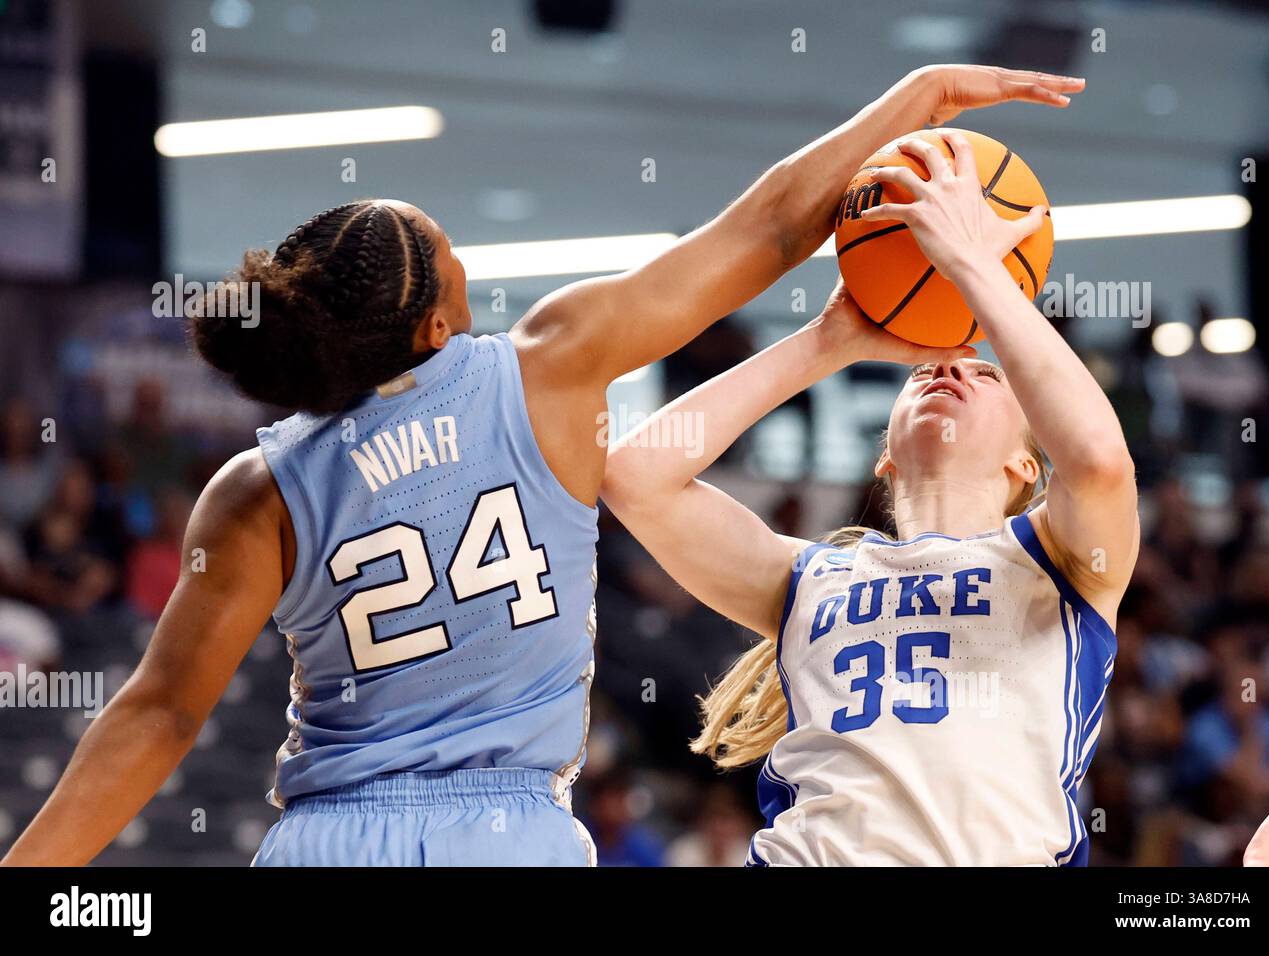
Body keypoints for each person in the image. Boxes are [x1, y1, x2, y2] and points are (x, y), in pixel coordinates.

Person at [1, 67, 1084, 868]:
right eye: (460, 260)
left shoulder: (254, 490)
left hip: (325, 836)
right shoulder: (543, 371)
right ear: (433, 325)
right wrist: (915, 100)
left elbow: (156, 714)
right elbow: (764, 228)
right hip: (506, 832)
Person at [602, 129, 1138, 865]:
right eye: (927, 370)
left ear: (1025, 465)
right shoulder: (805, 578)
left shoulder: (1062, 561)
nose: (952, 367)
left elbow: (1100, 460)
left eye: (984, 374)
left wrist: (976, 267)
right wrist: (826, 342)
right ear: (884, 456)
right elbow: (635, 476)